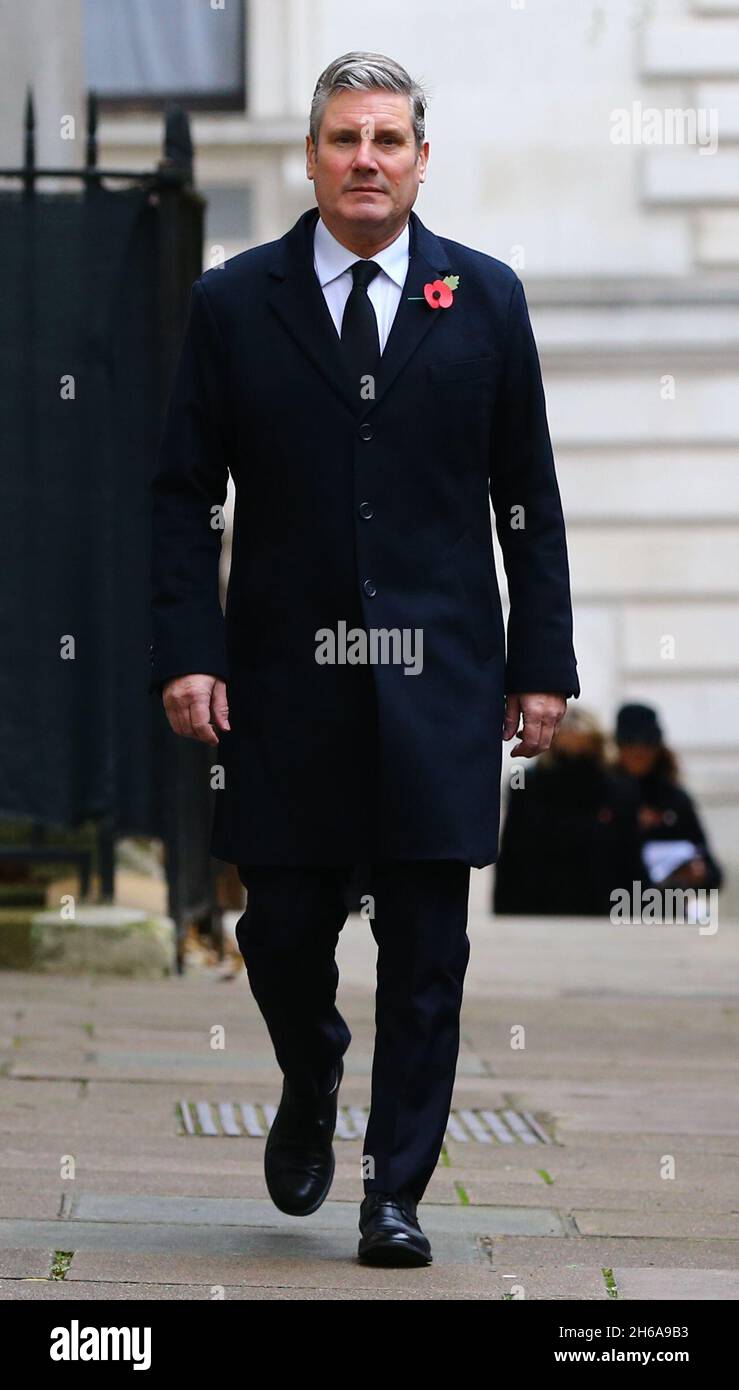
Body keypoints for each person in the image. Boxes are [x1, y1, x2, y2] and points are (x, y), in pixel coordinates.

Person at [149, 51, 579, 1269]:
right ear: (312, 157)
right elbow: (182, 494)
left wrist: (540, 663)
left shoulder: (483, 300)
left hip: (441, 689)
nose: (366, 160)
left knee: (428, 956)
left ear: (420, 160)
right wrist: (186, 648)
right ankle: (309, 1065)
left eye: (388, 139)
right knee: (280, 931)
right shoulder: (236, 301)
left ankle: (395, 1191)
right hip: (285, 685)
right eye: (345, 139)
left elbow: (526, 502)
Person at [493, 709, 641, 916]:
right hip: (538, 906)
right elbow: (512, 853)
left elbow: (630, 857)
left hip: (600, 906)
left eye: (582, 751)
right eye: (566, 751)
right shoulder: (526, 785)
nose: (574, 758)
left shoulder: (619, 789)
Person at [612, 703, 722, 900]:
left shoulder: (675, 800)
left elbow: (712, 871)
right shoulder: (606, 795)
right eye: (630, 744)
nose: (639, 753)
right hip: (617, 908)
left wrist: (697, 874)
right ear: (619, 747)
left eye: (647, 744)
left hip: (668, 910)